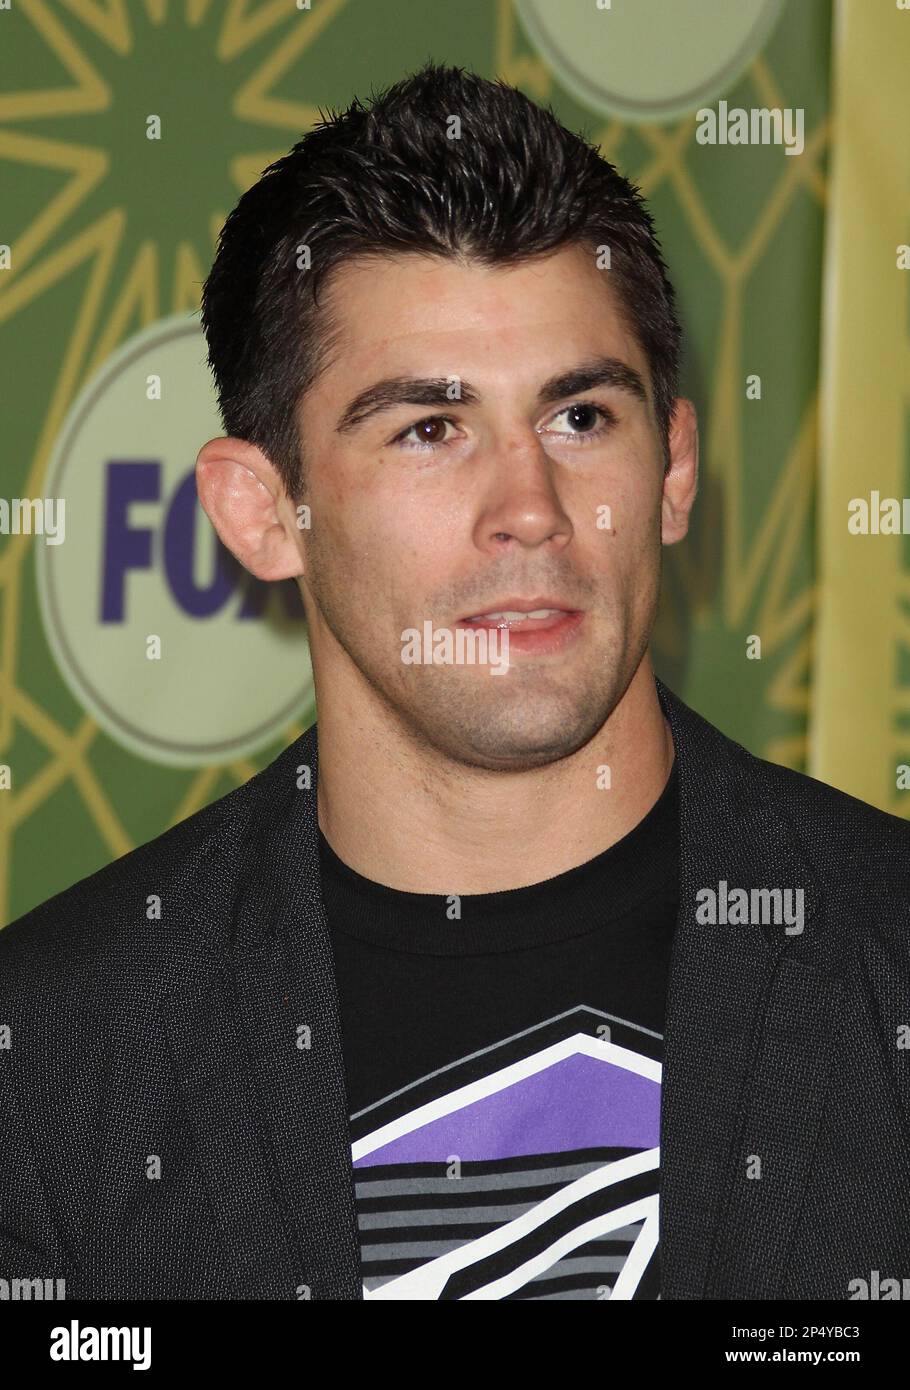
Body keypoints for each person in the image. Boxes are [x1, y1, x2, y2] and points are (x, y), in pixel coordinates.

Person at [1, 63, 908, 1302]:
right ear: (262, 511)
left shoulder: (881, 960)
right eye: (429, 428)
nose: (529, 510)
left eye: (580, 416)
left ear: (676, 470)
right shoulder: (49, 1059)